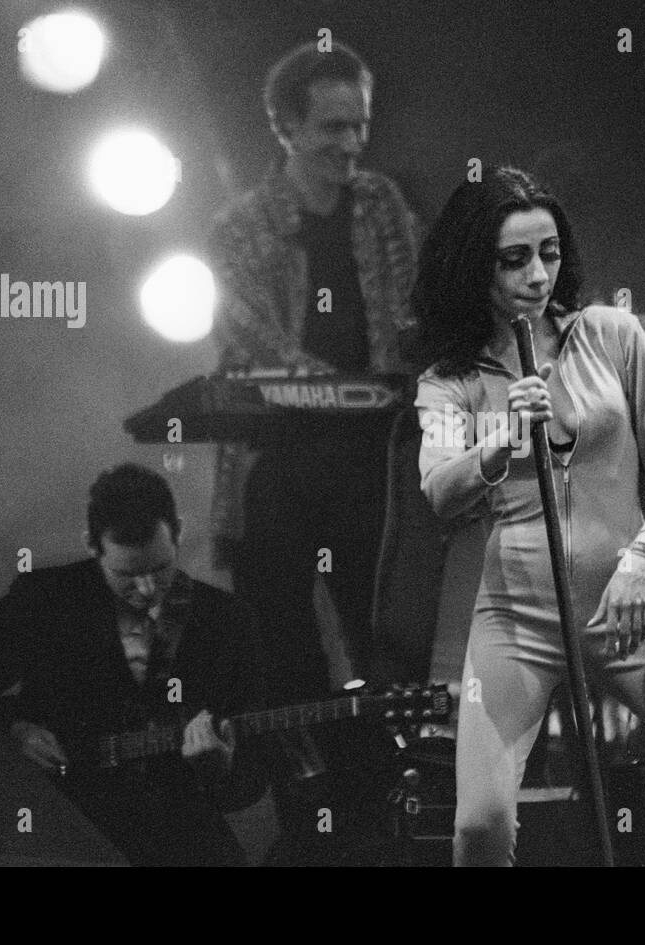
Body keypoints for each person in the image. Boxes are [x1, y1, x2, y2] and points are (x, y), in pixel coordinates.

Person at [412, 167, 645, 866]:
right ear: (474, 266)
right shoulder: (451, 380)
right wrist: (501, 438)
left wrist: (641, 559)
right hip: (515, 622)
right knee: (479, 825)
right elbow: (440, 491)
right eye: (514, 259)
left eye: (550, 253)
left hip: (626, 611)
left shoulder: (613, 335)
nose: (538, 274)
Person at [208, 39, 419, 700]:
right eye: (334, 126)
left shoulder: (382, 204)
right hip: (279, 463)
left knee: (385, 642)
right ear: (286, 127)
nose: (352, 141)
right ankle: (308, 790)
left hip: (374, 461)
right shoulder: (242, 227)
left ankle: (389, 786)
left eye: (360, 123)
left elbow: (413, 310)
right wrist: (342, 390)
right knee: (284, 651)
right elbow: (251, 337)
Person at [0, 464, 268, 866]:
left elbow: (250, 780)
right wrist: (13, 729)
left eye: (160, 569)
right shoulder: (44, 599)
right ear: (91, 544)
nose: (146, 589)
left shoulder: (229, 620)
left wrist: (219, 770)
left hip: (176, 826)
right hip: (63, 817)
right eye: (125, 574)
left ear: (178, 531)